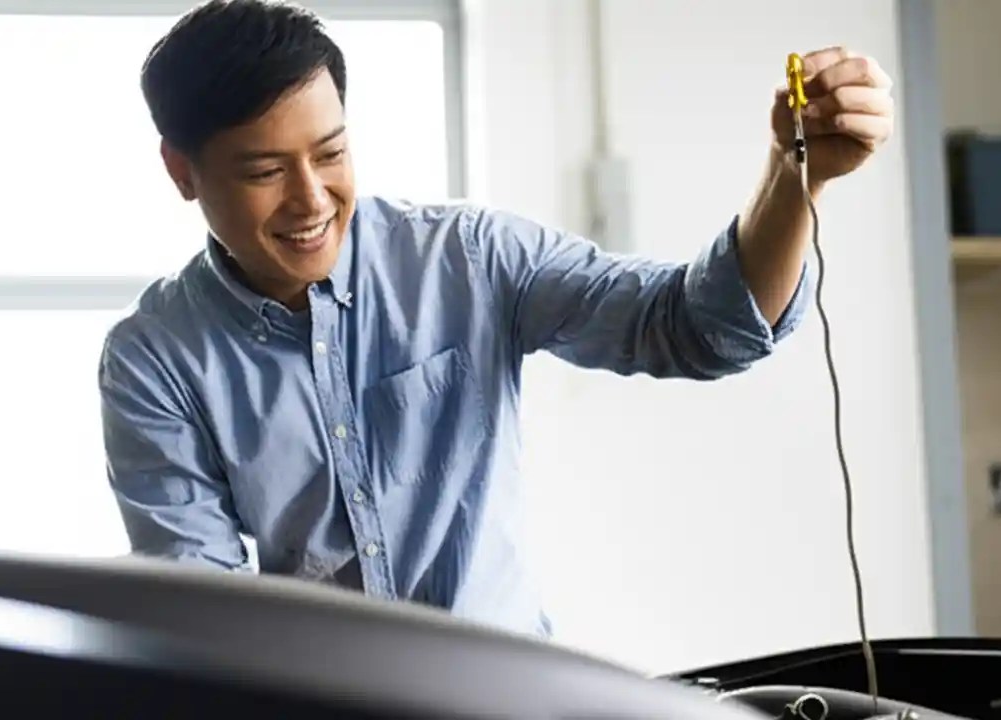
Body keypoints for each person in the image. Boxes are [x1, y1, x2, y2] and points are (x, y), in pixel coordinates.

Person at [98, 0, 894, 638]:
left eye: (332, 153)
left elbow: (696, 326)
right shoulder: (154, 358)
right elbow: (206, 610)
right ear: (182, 171)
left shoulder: (469, 257)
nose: (311, 199)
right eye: (266, 171)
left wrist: (798, 179)